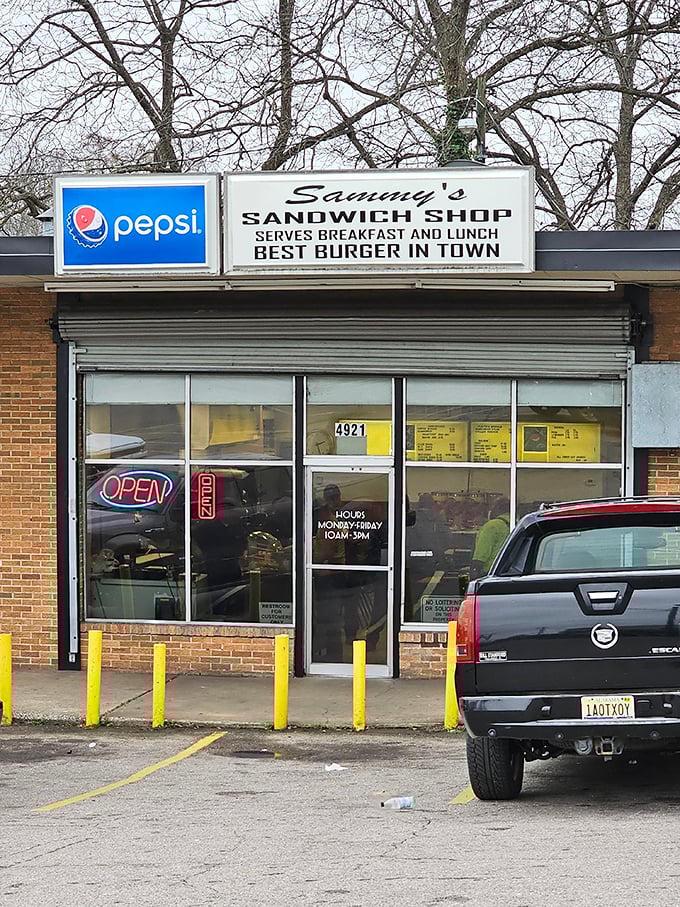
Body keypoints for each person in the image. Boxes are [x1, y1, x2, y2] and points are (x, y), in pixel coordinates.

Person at [469, 497, 511, 579]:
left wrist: (474, 572)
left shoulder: (492, 526)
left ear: (497, 508)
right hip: (509, 571)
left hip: (489, 572)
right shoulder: (518, 523)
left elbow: (481, 554)